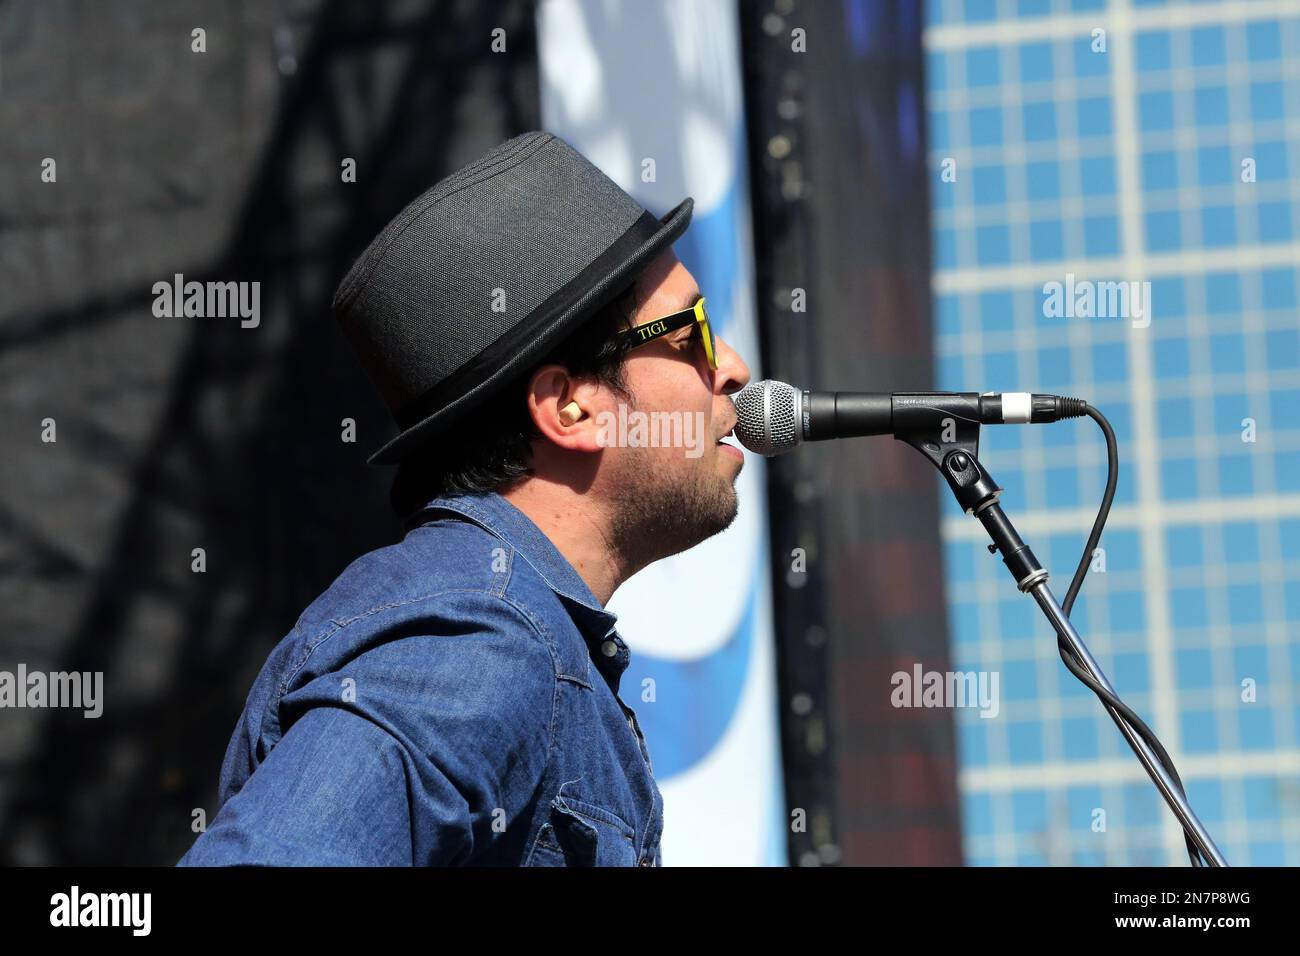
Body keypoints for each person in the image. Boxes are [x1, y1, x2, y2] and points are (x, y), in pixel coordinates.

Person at [177, 130, 751, 866]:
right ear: (570, 407)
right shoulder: (481, 645)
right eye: (691, 332)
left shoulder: (516, 635)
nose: (730, 366)